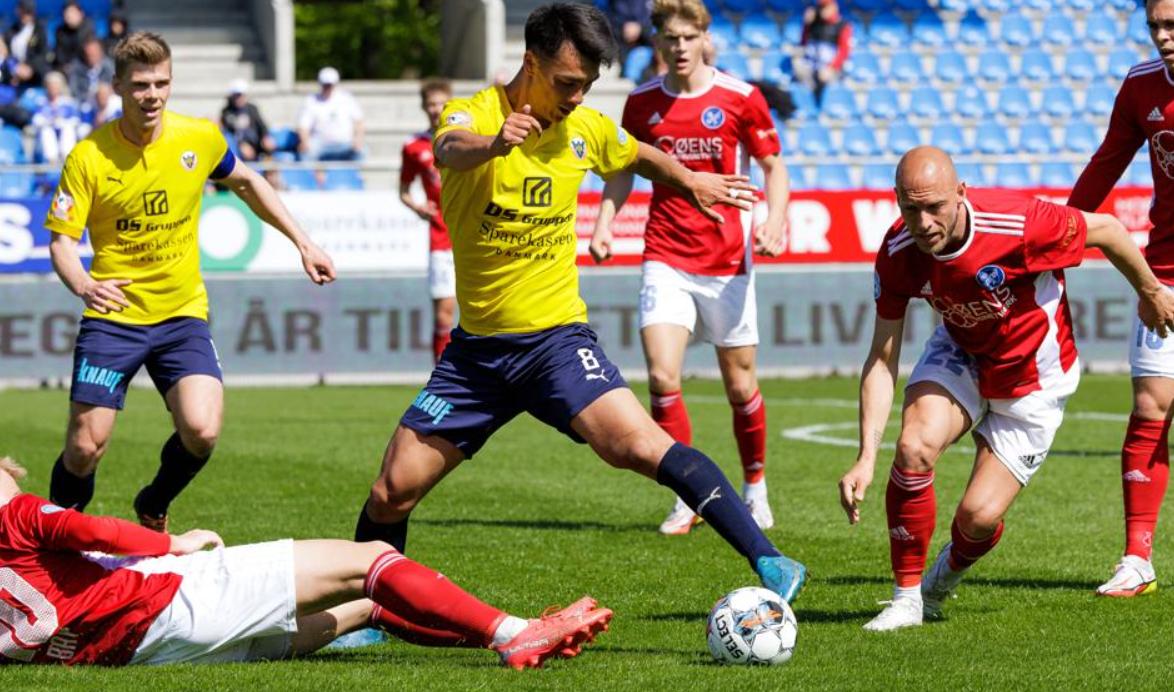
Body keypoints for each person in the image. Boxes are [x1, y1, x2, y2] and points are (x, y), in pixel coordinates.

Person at [352, 2, 807, 605]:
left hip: (556, 345)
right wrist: (493, 144)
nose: (576, 97)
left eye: (587, 85)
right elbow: (450, 147)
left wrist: (691, 180)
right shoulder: (474, 113)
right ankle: (365, 615)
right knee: (391, 492)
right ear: (530, 62)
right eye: (567, 82)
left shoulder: (585, 127)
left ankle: (771, 560)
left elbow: (636, 153)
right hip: (475, 359)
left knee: (639, 446)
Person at [836, 146, 1174, 631]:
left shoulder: (1019, 224)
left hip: (1034, 378)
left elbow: (1108, 230)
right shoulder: (898, 252)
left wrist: (1150, 291)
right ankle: (906, 600)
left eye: (935, 207)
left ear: (961, 193)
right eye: (911, 209)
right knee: (913, 447)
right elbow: (882, 357)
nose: (923, 222)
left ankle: (941, 580)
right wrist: (866, 456)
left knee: (978, 518)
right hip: (962, 353)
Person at [44, 32, 336, 531]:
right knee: (85, 447)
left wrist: (303, 242)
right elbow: (61, 244)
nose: (152, 95)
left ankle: (153, 504)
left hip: (182, 315)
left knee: (202, 430)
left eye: (161, 83)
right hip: (113, 318)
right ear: (119, 86)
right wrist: (85, 285)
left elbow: (248, 181)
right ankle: (54, 537)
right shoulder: (89, 156)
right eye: (140, 85)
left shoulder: (198, 137)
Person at [0, 456, 612, 668]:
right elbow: (95, 529)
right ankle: (512, 633)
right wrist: (173, 543)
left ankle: (502, 634)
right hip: (169, 602)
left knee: (365, 605)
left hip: (142, 652)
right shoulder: (18, 516)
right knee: (371, 558)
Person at [590, 0, 789, 536]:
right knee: (661, 375)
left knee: (740, 386)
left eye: (688, 37)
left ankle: (755, 488)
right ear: (657, 42)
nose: (679, 47)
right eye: (670, 38)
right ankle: (688, 496)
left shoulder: (740, 97)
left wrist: (774, 219)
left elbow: (773, 167)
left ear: (705, 38)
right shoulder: (642, 104)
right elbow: (624, 168)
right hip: (666, 254)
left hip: (727, 259)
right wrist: (605, 221)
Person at [1065, 0, 1174, 598]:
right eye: (1155, 25)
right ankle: (1137, 558)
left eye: (1173, 25)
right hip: (1165, 273)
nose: (1162, 36)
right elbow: (1107, 162)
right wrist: (1059, 233)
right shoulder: (1140, 87)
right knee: (1151, 409)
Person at [400, 79, 455, 364]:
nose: (436, 109)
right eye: (431, 104)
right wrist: (418, 208)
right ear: (423, 107)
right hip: (441, 238)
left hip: (475, 235)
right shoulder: (414, 146)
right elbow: (404, 191)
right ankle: (442, 376)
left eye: (441, 104)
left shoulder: (468, 138)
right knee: (444, 314)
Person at [296, 65, 363, 162]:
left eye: (330, 85)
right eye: (325, 85)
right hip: (320, 144)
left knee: (361, 151)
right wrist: (304, 141)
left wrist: (358, 139)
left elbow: (359, 121)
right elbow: (303, 126)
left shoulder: (347, 99)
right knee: (306, 152)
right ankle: (312, 172)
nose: (327, 88)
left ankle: (353, 173)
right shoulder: (311, 101)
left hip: (344, 142)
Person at [792, 0, 851, 107]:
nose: (822, 11)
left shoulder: (843, 25)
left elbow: (844, 51)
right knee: (798, 68)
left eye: (825, 7)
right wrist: (806, 25)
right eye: (820, 7)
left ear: (834, 7)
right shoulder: (813, 23)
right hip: (812, 65)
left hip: (830, 68)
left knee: (828, 82)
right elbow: (803, 43)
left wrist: (831, 68)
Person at [31, 70, 81, 165]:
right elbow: (36, 119)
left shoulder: (68, 102)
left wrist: (63, 122)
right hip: (48, 131)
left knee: (68, 129)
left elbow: (76, 120)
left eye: (55, 85)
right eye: (50, 85)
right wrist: (49, 121)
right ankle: (51, 160)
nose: (53, 88)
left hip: (64, 131)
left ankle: (67, 158)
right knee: (46, 130)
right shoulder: (41, 102)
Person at [220, 78, 275, 162]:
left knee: (269, 146)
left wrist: (265, 136)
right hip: (242, 145)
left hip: (257, 142)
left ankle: (269, 165)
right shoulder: (227, 112)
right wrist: (241, 144)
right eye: (237, 95)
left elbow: (261, 125)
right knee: (245, 152)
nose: (239, 98)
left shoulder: (252, 108)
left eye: (241, 95)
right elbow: (232, 132)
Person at [4, 0, 50, 89]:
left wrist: (30, 67)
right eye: (23, 12)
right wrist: (14, 68)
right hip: (14, 74)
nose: (25, 15)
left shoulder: (39, 30)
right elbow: (6, 52)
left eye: (28, 12)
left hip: (34, 76)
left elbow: (43, 53)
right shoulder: (11, 30)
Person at [67, 34, 113, 105]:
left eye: (94, 53)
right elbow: (74, 91)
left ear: (101, 52)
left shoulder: (109, 67)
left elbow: (115, 87)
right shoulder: (77, 68)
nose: (91, 56)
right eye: (88, 54)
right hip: (84, 103)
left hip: (106, 103)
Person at [52, 1, 93, 71]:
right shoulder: (60, 31)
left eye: (72, 13)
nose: (69, 17)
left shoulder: (88, 28)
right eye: (66, 14)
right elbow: (59, 53)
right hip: (65, 68)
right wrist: (65, 66)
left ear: (81, 13)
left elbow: (86, 53)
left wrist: (74, 66)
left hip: (85, 68)